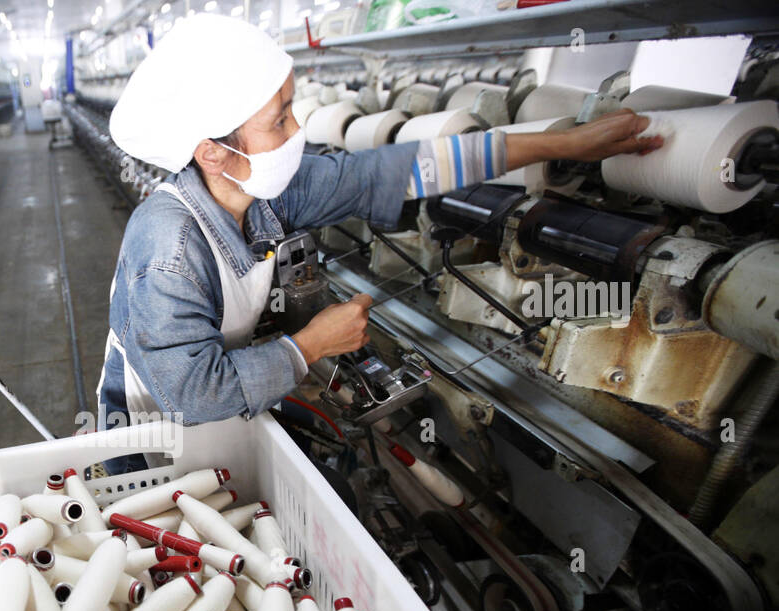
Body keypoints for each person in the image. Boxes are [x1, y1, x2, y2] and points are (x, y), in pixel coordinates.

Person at [96, 14, 663, 473]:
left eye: (293, 109)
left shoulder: (266, 195)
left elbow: (394, 170)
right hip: (155, 447)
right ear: (213, 152)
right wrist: (310, 345)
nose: (297, 132)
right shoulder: (167, 247)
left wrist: (560, 144)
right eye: (279, 119)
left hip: (218, 430)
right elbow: (192, 393)